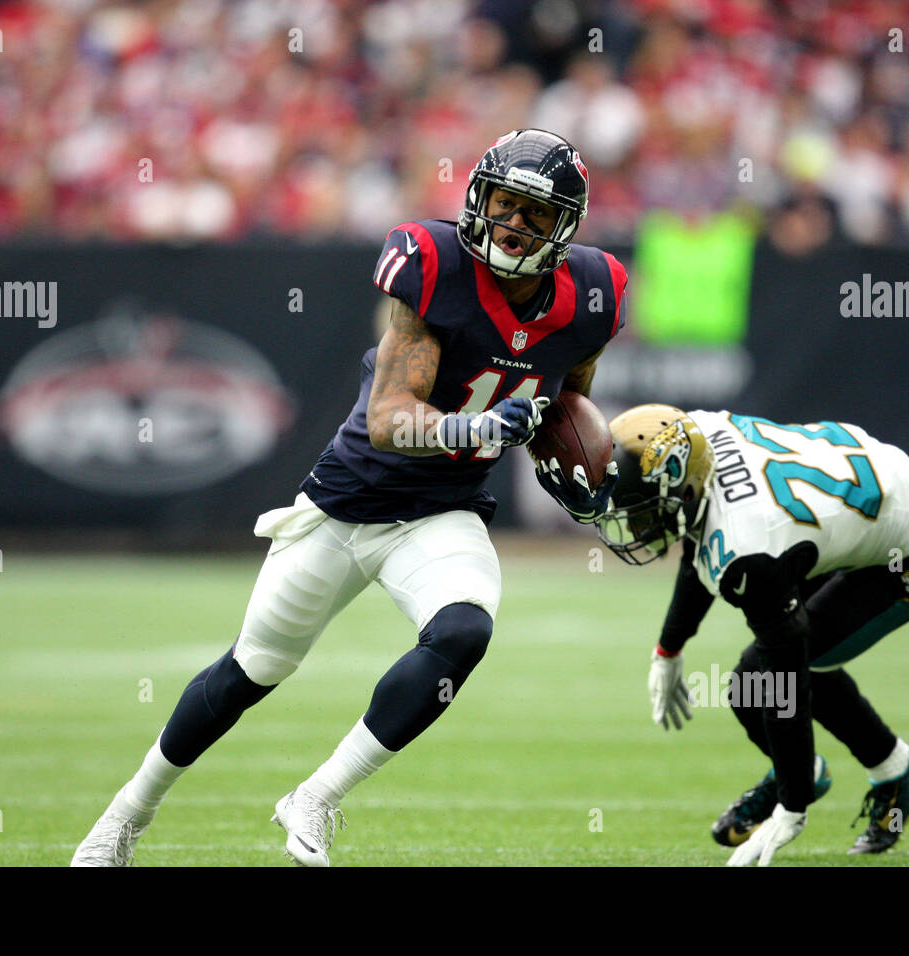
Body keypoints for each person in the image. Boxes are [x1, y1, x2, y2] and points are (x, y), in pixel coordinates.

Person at [72, 129, 625, 866]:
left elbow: (565, 407)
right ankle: (124, 817)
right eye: (503, 201)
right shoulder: (437, 266)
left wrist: (575, 479)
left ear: (564, 229)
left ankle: (317, 797)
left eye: (533, 212)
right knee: (251, 671)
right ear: (478, 197)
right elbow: (390, 419)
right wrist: (481, 424)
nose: (512, 222)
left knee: (463, 632)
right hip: (347, 503)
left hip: (441, 513)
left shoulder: (593, 296)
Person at [596, 405, 909, 866]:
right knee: (764, 678)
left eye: (641, 508)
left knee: (756, 680)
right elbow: (699, 536)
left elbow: (784, 675)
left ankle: (866, 773)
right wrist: (669, 648)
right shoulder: (697, 432)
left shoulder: (750, 545)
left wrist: (792, 808)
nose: (635, 522)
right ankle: (891, 769)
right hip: (854, 496)